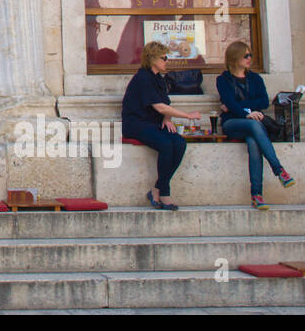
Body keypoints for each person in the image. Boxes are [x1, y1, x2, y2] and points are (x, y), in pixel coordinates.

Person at [216, 41, 295, 210]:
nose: (249, 58)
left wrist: (243, 107)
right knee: (253, 125)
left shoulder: (255, 78)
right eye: (246, 56)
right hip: (232, 123)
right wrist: (247, 112)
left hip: (252, 123)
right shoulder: (223, 80)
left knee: (253, 141)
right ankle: (279, 169)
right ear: (235, 57)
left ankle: (257, 195)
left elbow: (264, 102)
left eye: (250, 55)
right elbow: (230, 102)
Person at [122, 41, 201, 210]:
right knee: (166, 145)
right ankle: (164, 193)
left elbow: (165, 104)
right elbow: (159, 106)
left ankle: (157, 188)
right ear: (152, 59)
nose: (167, 61)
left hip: (153, 123)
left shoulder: (158, 78)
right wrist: (188, 116)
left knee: (179, 143)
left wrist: (167, 119)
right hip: (137, 123)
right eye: (164, 58)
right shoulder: (142, 78)